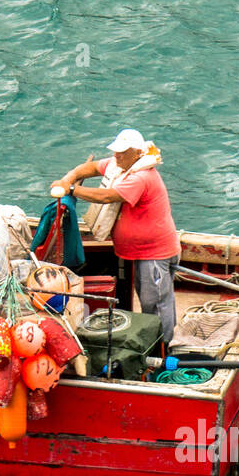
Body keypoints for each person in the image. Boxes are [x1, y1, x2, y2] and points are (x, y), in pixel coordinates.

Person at [50, 128, 180, 340]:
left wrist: (71, 190)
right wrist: (70, 176)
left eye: (122, 152)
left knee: (156, 304)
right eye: (116, 151)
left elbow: (107, 196)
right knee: (153, 300)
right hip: (137, 252)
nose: (116, 155)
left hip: (154, 253)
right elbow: (91, 167)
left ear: (137, 153)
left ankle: (163, 349)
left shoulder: (141, 177)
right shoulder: (120, 163)